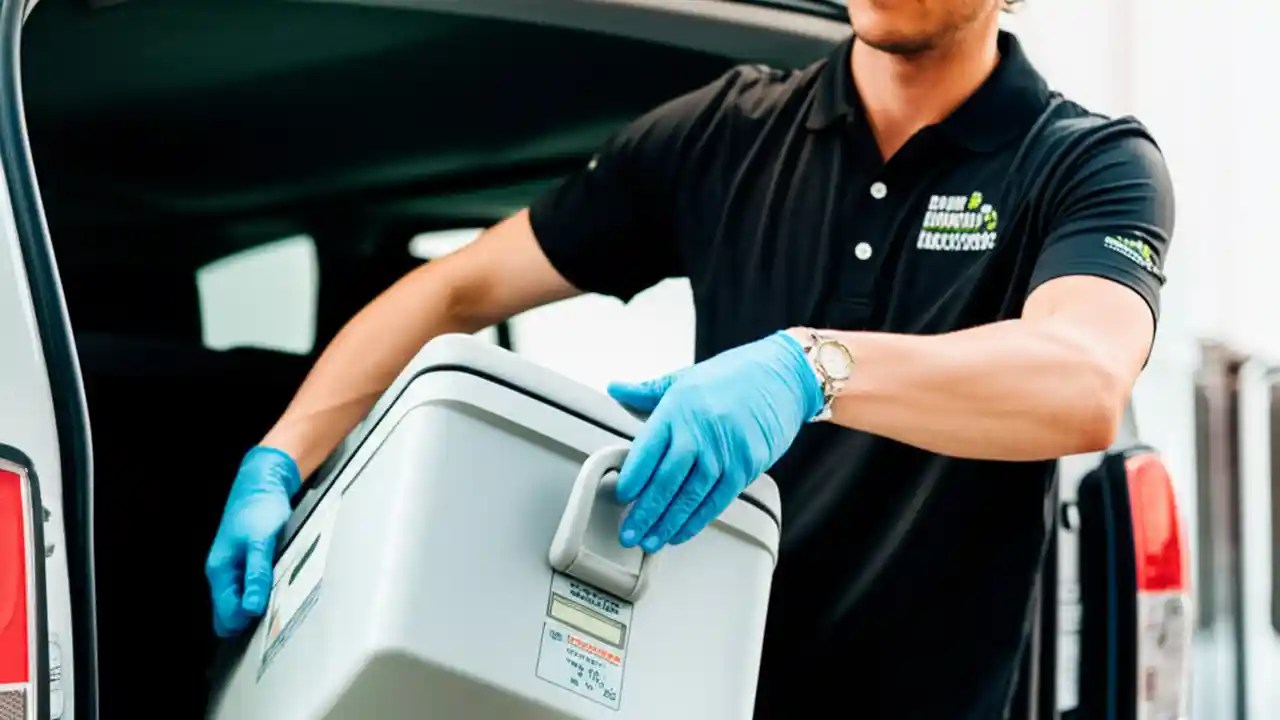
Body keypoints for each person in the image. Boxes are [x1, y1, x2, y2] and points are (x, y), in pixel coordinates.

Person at [204, 0, 1175, 717]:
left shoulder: (1085, 165)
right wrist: (281, 458)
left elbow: (1079, 379)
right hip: (687, 692)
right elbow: (456, 290)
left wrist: (807, 369)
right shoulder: (723, 134)